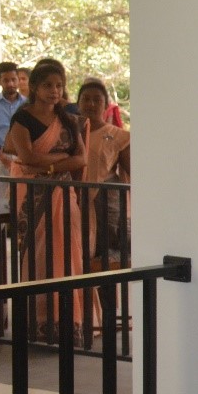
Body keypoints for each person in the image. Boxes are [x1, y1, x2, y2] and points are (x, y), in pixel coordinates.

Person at [6, 58, 86, 342]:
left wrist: (50, 165)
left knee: (66, 253)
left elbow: (82, 157)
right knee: (38, 256)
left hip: (63, 194)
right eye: (48, 85)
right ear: (36, 88)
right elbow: (27, 157)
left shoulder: (68, 118)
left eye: (59, 85)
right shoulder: (23, 118)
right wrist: (61, 160)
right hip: (30, 193)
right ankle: (37, 325)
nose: (54, 91)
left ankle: (66, 324)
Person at [77, 78, 131, 267]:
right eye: (86, 99)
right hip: (72, 201)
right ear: (78, 103)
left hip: (105, 203)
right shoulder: (67, 132)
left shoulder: (118, 136)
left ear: (106, 105)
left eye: (97, 100)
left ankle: (104, 297)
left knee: (103, 258)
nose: (91, 104)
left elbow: (131, 171)